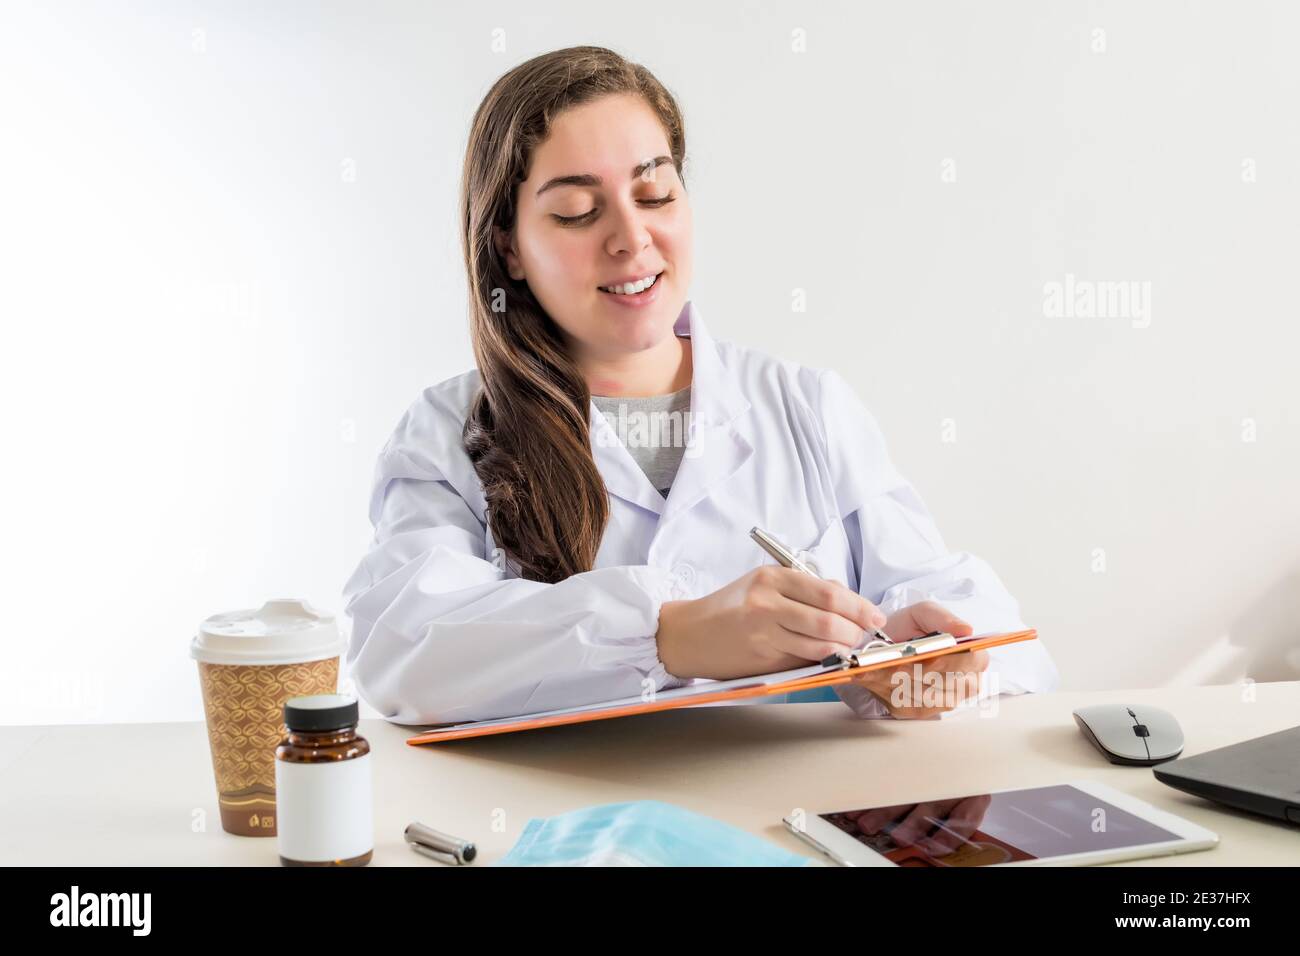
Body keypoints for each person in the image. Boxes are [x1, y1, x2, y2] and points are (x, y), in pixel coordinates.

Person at [341, 45, 1059, 727]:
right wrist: (668, 634)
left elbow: (984, 624)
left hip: (799, 829)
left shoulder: (806, 405)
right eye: (577, 212)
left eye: (654, 193)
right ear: (509, 249)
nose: (631, 238)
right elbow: (403, 649)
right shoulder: (446, 434)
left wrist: (920, 660)